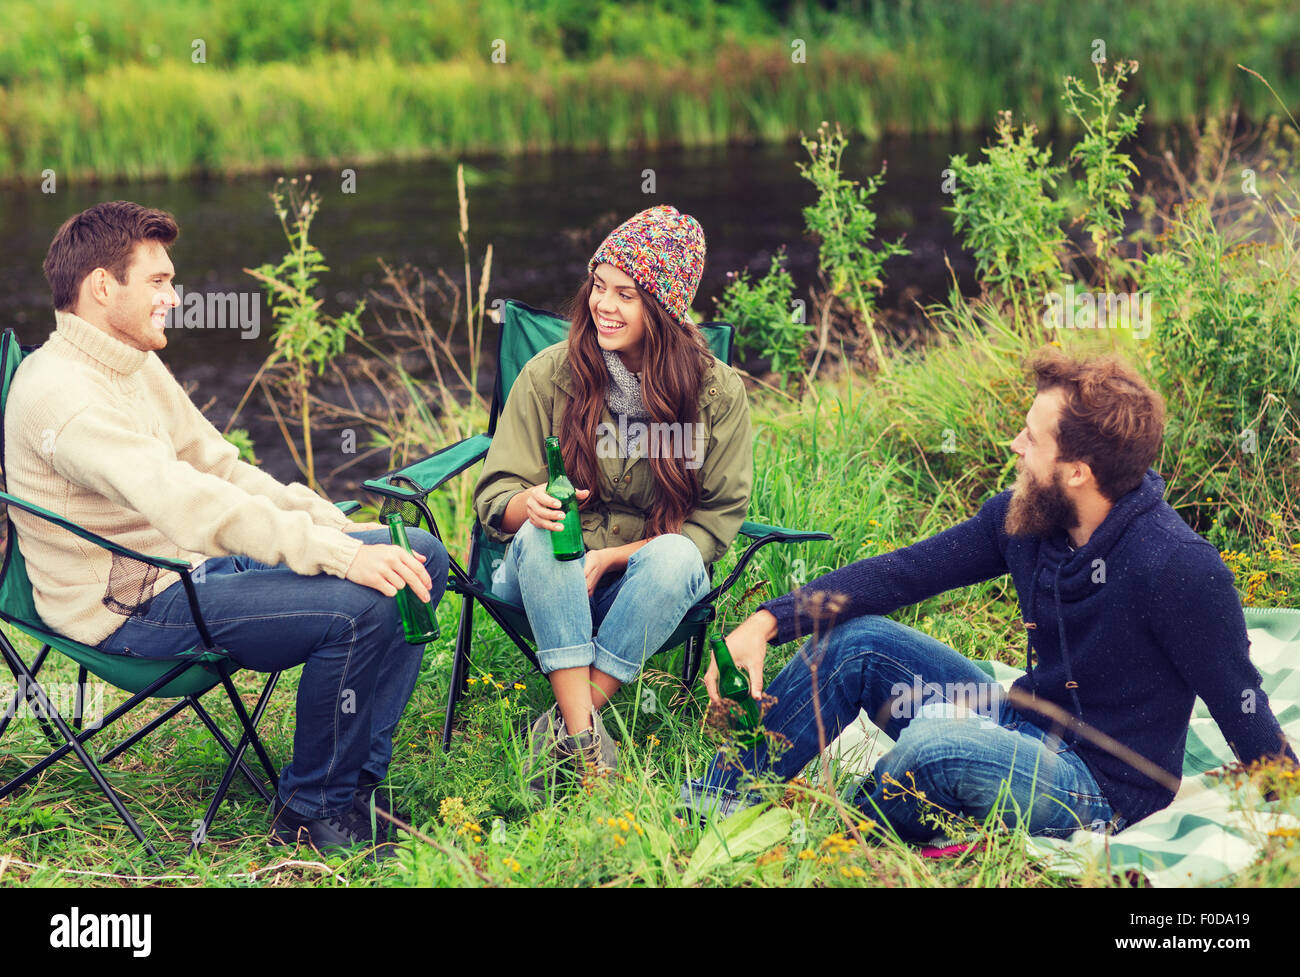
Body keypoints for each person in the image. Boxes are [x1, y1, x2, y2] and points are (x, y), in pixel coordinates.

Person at [685, 348, 1296, 842]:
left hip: (1098, 788)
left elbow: (1239, 702)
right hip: (1015, 721)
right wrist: (766, 620)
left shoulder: (1180, 569)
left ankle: (840, 840)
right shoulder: (1025, 518)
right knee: (858, 643)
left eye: (1031, 440)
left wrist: (1285, 795)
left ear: (1078, 471)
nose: (1015, 447)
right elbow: (902, 574)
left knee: (936, 744)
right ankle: (710, 807)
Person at [4, 200, 449, 858]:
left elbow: (218, 466)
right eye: (157, 282)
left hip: (192, 571)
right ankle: (312, 812)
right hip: (129, 607)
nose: (175, 298)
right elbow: (186, 502)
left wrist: (333, 529)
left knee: (421, 557)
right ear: (103, 286)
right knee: (358, 610)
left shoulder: (129, 362)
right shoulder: (60, 395)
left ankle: (353, 786)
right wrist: (333, 557)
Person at [474, 204, 753, 789]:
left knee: (678, 555)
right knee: (548, 535)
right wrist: (530, 505)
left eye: (626, 294)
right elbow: (496, 492)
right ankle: (587, 751)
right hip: (543, 578)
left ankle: (568, 726)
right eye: (599, 286)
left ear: (663, 307)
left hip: (645, 584)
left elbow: (715, 520)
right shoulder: (550, 374)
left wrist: (614, 557)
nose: (603, 304)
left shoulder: (716, 394)